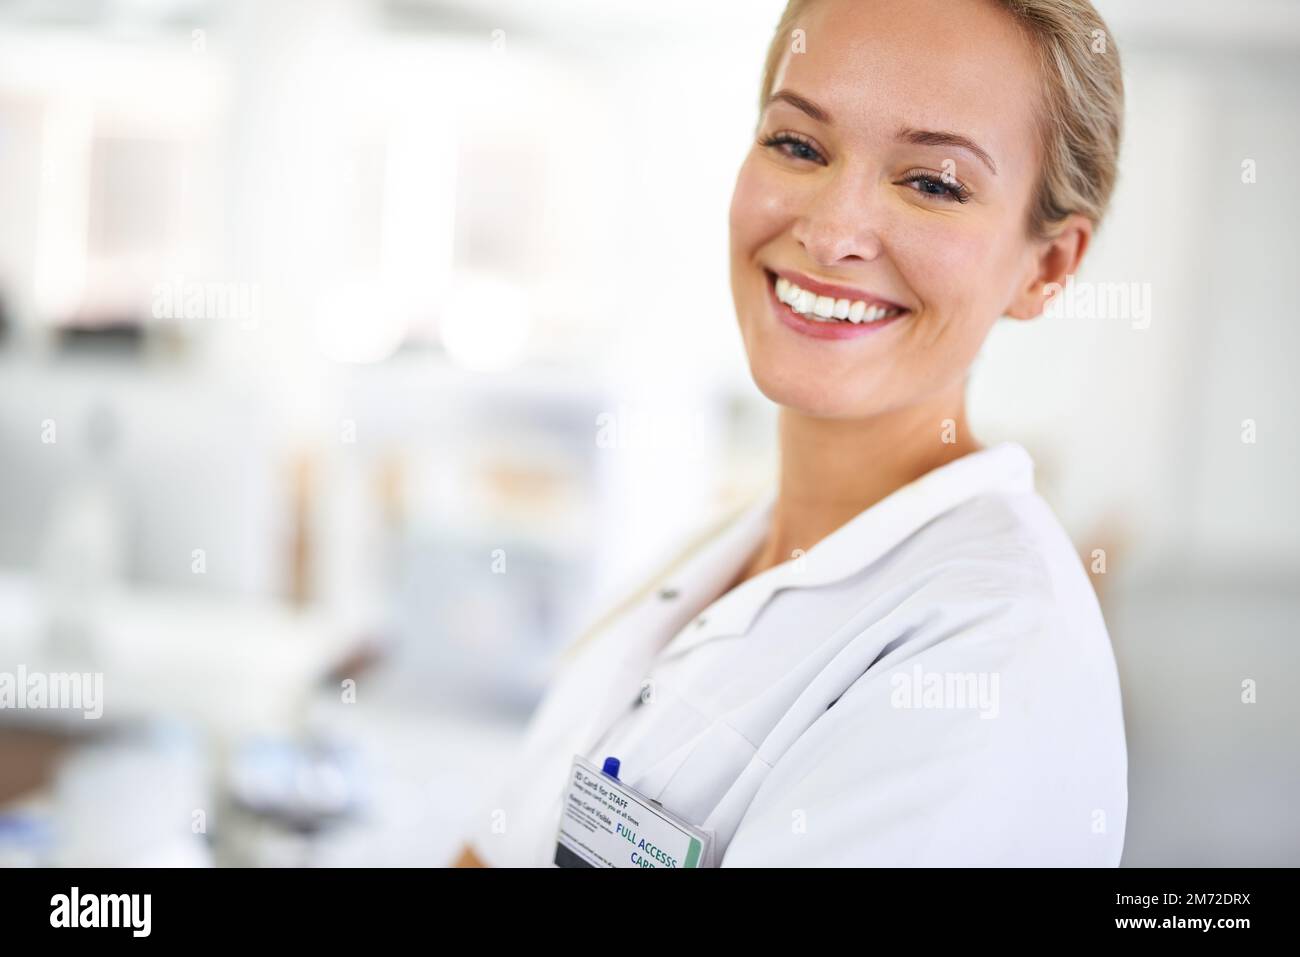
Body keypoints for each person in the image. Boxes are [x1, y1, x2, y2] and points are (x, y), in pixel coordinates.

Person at [454, 0, 1127, 867]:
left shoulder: (992, 662)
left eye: (933, 183)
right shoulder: (712, 558)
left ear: (1048, 266)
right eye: (799, 144)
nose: (831, 230)